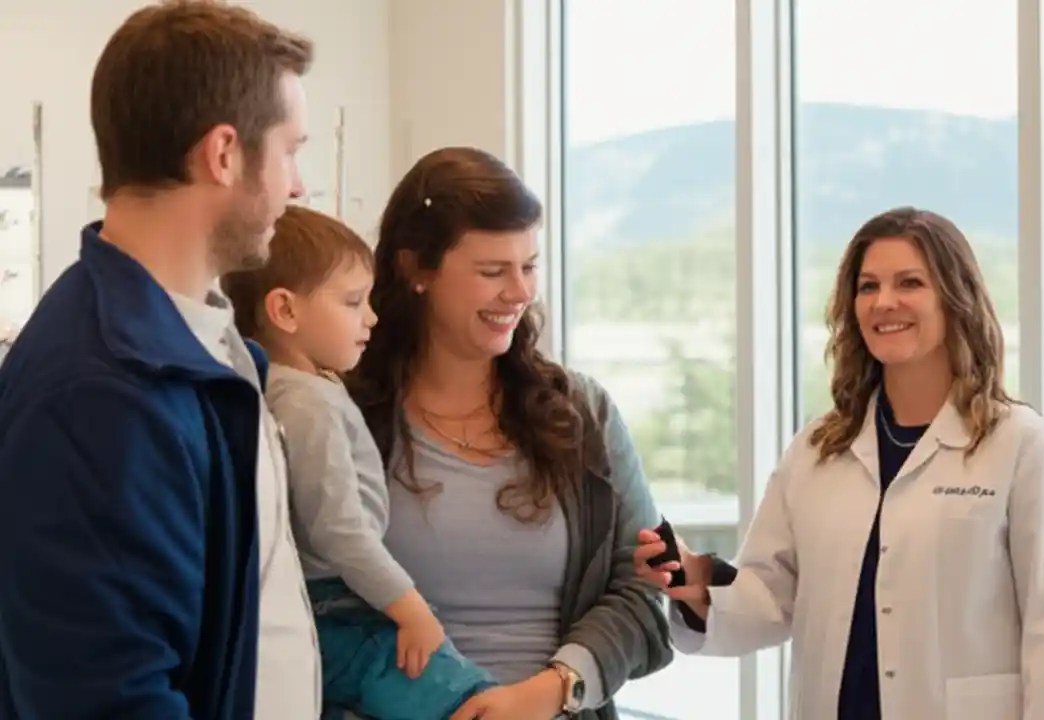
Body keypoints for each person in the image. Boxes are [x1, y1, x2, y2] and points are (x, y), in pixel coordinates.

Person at [635, 207, 1044, 720]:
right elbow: (772, 597)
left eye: (910, 282)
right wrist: (699, 583)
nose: (885, 302)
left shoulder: (1024, 447)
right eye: (868, 286)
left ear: (955, 298)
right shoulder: (819, 447)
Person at [0, 2, 321, 718]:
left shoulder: (202, 343)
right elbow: (107, 698)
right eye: (290, 151)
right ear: (224, 154)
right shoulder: (99, 393)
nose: (298, 186)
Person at [343, 146, 672, 720]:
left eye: (529, 265)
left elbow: (644, 591)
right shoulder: (346, 418)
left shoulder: (583, 414)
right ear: (416, 269)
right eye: (492, 271)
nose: (520, 292)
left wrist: (550, 691)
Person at [221, 205, 497, 719]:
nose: (371, 317)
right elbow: (339, 530)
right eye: (352, 301)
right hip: (340, 609)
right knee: (474, 703)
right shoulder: (305, 401)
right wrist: (412, 609)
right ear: (285, 311)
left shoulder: (293, 388)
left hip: (331, 607)